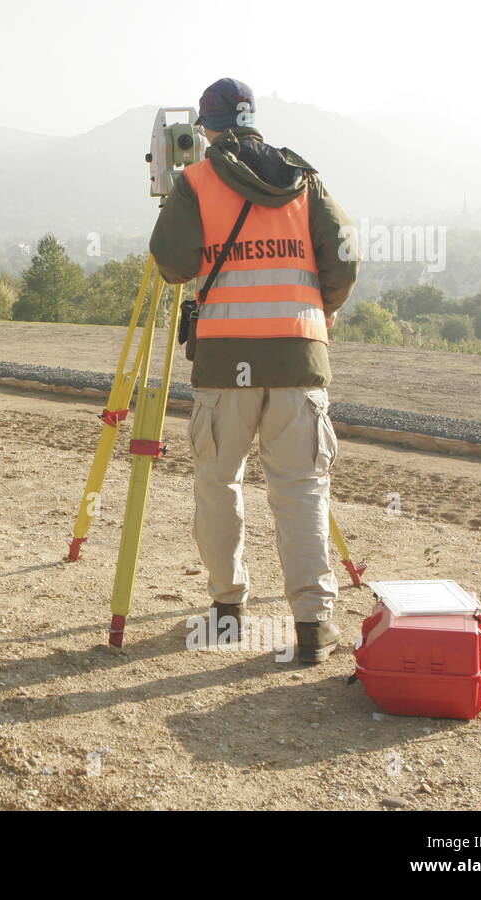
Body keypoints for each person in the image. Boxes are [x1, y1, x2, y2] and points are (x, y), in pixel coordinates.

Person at [149, 77, 359, 663]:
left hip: (224, 362)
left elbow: (171, 263)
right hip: (298, 355)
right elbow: (344, 252)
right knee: (301, 489)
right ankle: (314, 628)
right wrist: (324, 308)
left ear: (205, 128)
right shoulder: (304, 178)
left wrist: (179, 202)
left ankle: (226, 610)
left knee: (219, 483)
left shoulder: (195, 181)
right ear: (253, 119)